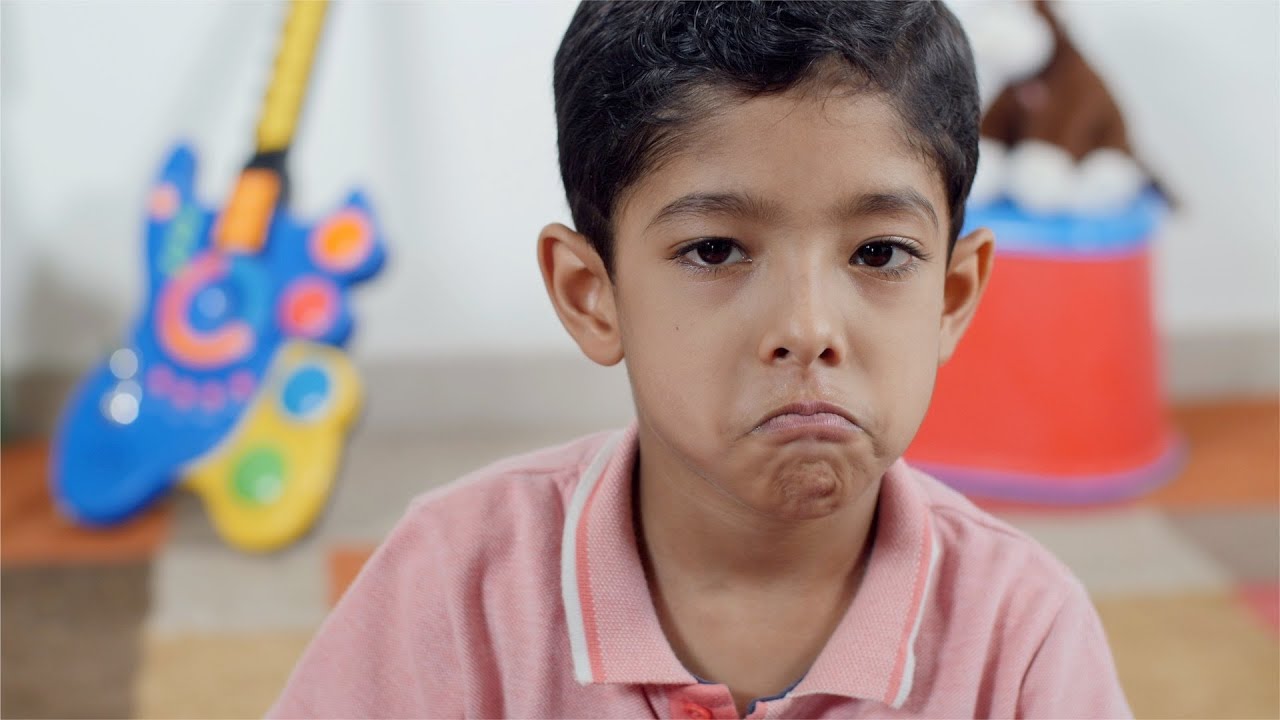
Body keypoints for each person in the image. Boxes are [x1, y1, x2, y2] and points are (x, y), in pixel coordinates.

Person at [269, 2, 1130, 717]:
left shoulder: (1022, 636)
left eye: (878, 254)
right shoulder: (451, 584)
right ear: (589, 294)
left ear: (951, 297)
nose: (806, 326)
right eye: (716, 250)